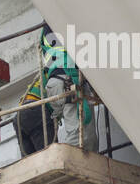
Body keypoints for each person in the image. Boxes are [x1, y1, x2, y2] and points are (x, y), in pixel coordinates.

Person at [16, 27, 97, 155]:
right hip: (65, 81)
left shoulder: (46, 33)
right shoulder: (60, 19)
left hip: (21, 113)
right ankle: (76, 164)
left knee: (37, 163)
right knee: (82, 138)